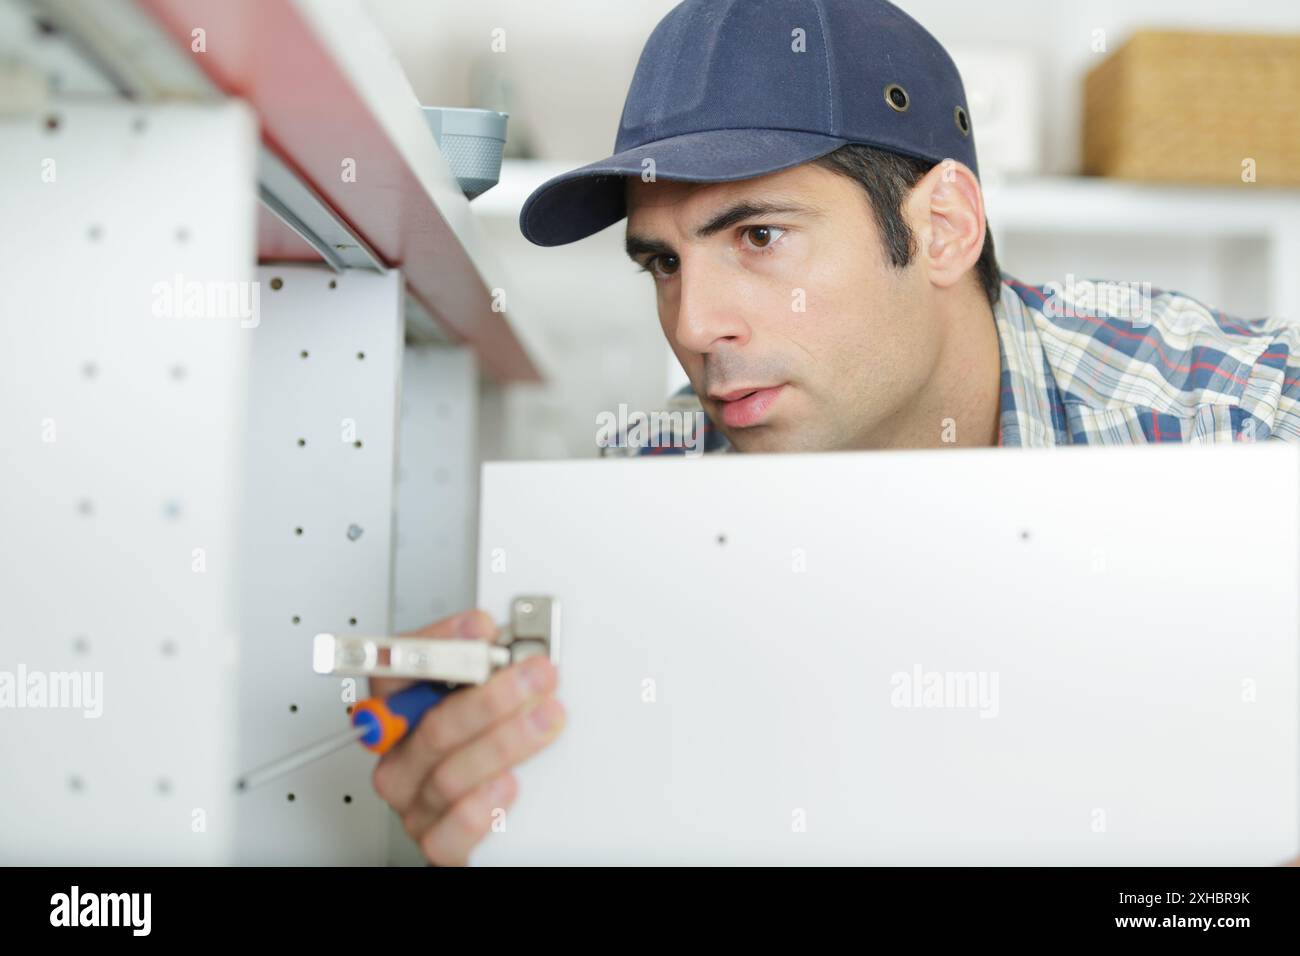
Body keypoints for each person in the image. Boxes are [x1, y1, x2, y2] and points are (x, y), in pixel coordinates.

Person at [371, 0, 1300, 864]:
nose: (694, 327)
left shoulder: (1240, 424)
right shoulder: (650, 492)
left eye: (759, 237)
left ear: (942, 227)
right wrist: (518, 818)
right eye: (662, 262)